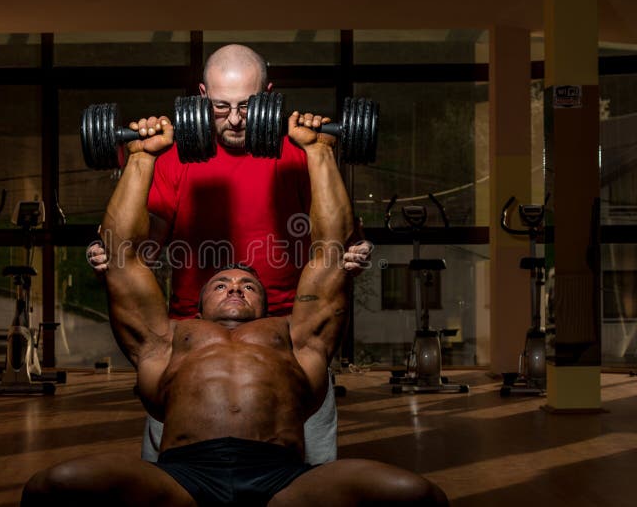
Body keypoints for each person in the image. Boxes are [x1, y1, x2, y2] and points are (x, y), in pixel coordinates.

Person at [23, 113, 447, 506]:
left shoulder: (295, 341)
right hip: (184, 476)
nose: (235, 287)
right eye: (221, 283)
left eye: (248, 285)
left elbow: (330, 251)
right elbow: (122, 257)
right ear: (199, 303)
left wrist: (319, 150)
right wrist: (140, 156)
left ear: (267, 305)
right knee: (53, 485)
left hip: (282, 477)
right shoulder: (166, 342)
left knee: (416, 493)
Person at [87, 44, 371, 464]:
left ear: (269, 94)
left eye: (246, 105)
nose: (235, 119)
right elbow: (138, 252)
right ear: (202, 95)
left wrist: (358, 250)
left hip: (290, 335)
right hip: (187, 339)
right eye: (221, 106)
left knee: (311, 482)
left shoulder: (299, 152)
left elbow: (338, 242)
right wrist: (108, 256)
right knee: (172, 475)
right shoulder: (173, 157)